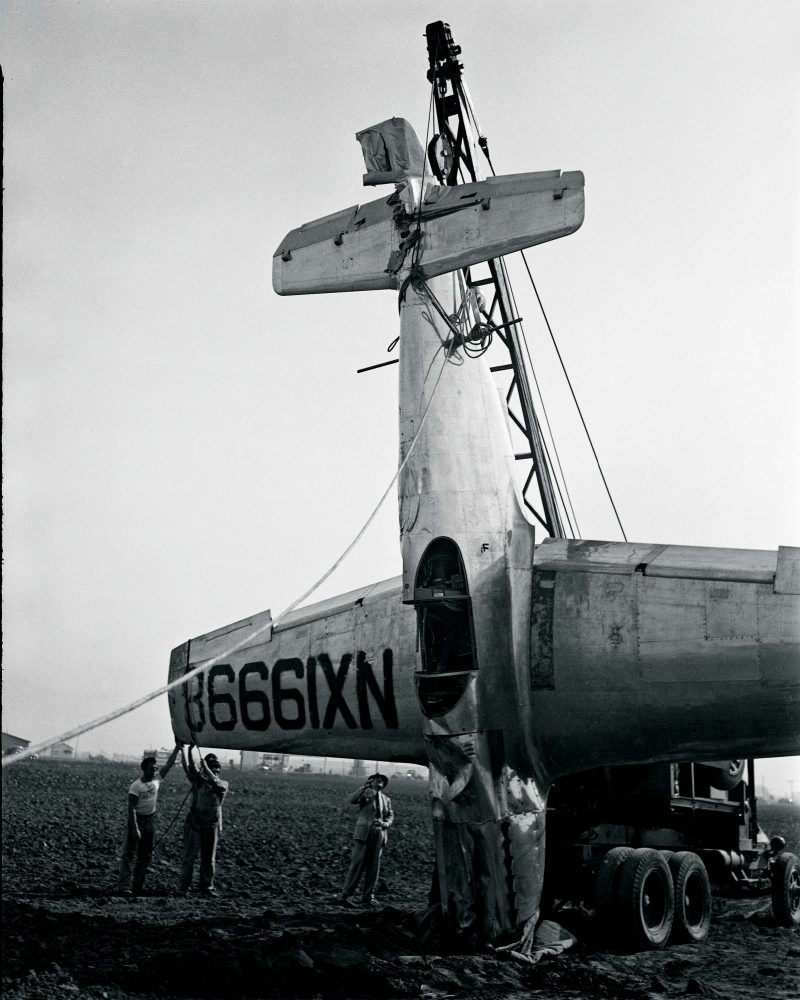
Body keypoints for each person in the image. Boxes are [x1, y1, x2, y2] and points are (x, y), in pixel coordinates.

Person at [116, 743, 180, 896]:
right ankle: (124, 886)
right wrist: (135, 828)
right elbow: (131, 808)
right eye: (152, 768)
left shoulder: (156, 781)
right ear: (144, 769)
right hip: (136, 820)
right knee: (129, 854)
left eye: (156, 768)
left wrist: (177, 748)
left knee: (146, 855)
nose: (155, 770)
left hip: (150, 820)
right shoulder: (136, 786)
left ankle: (138, 886)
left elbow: (169, 765)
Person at [179, 744, 229, 897]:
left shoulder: (222, 784)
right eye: (212, 769)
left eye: (216, 771)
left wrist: (206, 768)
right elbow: (191, 769)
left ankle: (206, 887)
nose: (215, 773)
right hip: (196, 824)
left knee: (209, 859)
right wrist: (188, 750)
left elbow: (215, 781)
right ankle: (183, 888)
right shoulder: (200, 781)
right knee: (190, 857)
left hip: (211, 825)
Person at [339, 772, 393, 908]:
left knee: (374, 866)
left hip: (379, 833)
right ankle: (346, 895)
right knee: (357, 864)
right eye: (376, 779)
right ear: (370, 782)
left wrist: (386, 824)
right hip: (364, 832)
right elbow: (351, 799)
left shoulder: (386, 799)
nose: (380, 780)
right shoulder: (365, 794)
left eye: (382, 780)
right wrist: (363, 788)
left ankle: (368, 897)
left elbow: (390, 815)